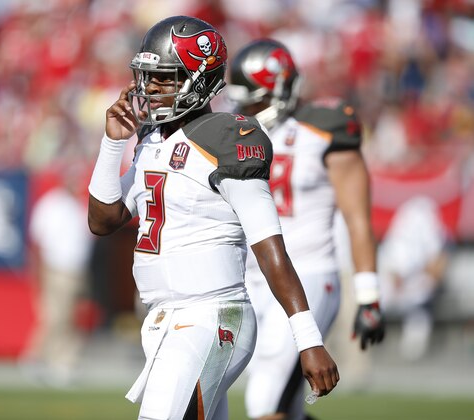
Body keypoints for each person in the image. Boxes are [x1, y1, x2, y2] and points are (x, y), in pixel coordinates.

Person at [87, 16, 339, 420]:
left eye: (165, 78)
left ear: (200, 80)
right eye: (148, 77)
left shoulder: (226, 140)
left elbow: (270, 248)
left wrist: (308, 339)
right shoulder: (152, 139)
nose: (151, 87)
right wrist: (111, 144)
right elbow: (103, 221)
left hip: (211, 316)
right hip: (166, 319)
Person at [226, 39, 385, 420]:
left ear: (281, 90)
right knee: (287, 407)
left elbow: (358, 217)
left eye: (256, 101)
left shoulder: (325, 130)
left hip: (310, 273)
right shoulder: (233, 132)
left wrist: (369, 295)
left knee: (265, 400)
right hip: (252, 278)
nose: (247, 110)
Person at [21, 170, 94, 386]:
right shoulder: (51, 203)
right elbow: (37, 240)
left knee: (69, 317)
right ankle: (38, 357)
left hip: (76, 270)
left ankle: (62, 361)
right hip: (55, 268)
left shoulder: (79, 206)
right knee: (55, 316)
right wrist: (37, 271)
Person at [378, 195, 449, 361]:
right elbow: (391, 269)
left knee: (420, 305)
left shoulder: (436, 235)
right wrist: (398, 279)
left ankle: (413, 348)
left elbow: (436, 269)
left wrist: (420, 279)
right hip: (393, 285)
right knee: (373, 301)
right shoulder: (399, 237)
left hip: (416, 286)